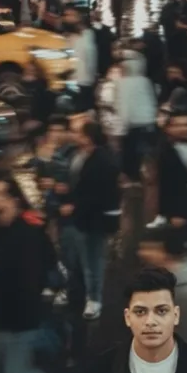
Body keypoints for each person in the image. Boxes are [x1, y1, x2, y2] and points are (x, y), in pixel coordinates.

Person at [0, 176, 72, 373]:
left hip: (18, 317)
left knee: (17, 371)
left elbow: (31, 279)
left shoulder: (26, 232)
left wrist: (23, 313)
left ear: (13, 199)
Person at [61, 121, 120, 320]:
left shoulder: (103, 160)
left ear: (88, 137)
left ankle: (94, 299)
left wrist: (75, 205)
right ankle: (76, 293)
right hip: (78, 219)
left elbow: (100, 194)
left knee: (93, 260)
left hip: (94, 221)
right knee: (75, 259)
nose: (72, 134)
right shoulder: (75, 154)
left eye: (77, 132)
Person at [138, 227, 187, 354]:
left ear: (166, 253)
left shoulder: (183, 292)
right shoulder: (182, 277)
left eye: (150, 249)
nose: (142, 253)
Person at [115, 52, 157, 182]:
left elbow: (123, 106)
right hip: (149, 124)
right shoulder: (145, 81)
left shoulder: (122, 83)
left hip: (132, 126)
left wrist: (121, 127)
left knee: (132, 157)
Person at [156, 112, 187, 225]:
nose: (184, 129)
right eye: (179, 125)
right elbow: (165, 186)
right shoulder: (162, 153)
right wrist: (172, 214)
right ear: (168, 128)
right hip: (174, 212)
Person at [65, 8, 98, 113]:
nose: (66, 18)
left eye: (71, 15)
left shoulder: (88, 36)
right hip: (72, 81)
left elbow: (90, 59)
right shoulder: (68, 37)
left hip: (84, 81)